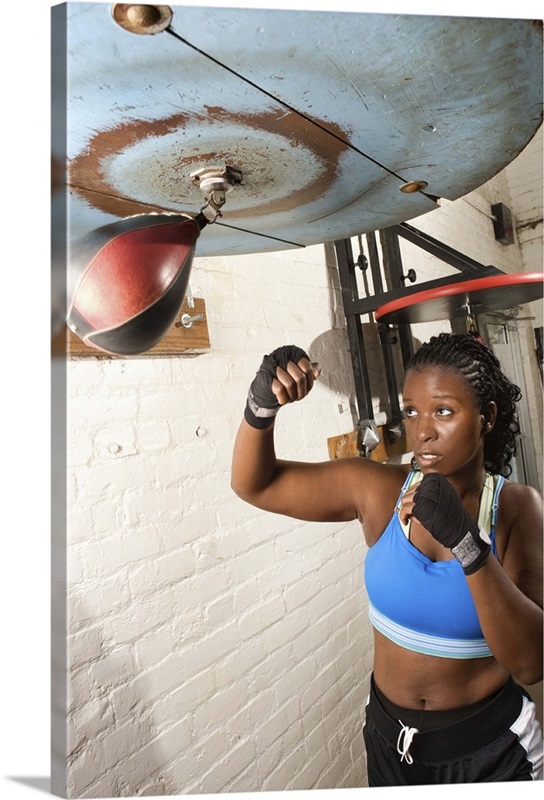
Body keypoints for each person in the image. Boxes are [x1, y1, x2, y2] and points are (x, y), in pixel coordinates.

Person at [231, 333, 543, 785]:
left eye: (443, 411)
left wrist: (468, 544)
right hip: (390, 743)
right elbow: (254, 485)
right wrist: (261, 406)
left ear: (486, 417)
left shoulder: (516, 509)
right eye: (411, 411)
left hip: (490, 752)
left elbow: (531, 663)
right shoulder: (379, 491)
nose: (422, 431)